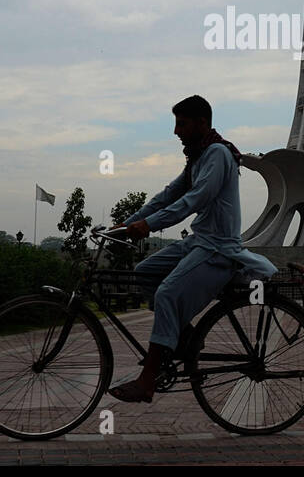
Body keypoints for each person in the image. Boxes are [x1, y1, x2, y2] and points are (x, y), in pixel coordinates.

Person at [108, 95, 276, 403]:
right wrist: (121, 226)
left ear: (202, 123)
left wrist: (150, 226)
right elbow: (167, 196)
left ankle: (147, 381)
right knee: (144, 274)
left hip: (218, 249)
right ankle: (184, 340)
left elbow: (194, 200)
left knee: (167, 293)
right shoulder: (198, 158)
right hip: (198, 243)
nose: (176, 131)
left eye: (181, 124)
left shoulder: (218, 155)